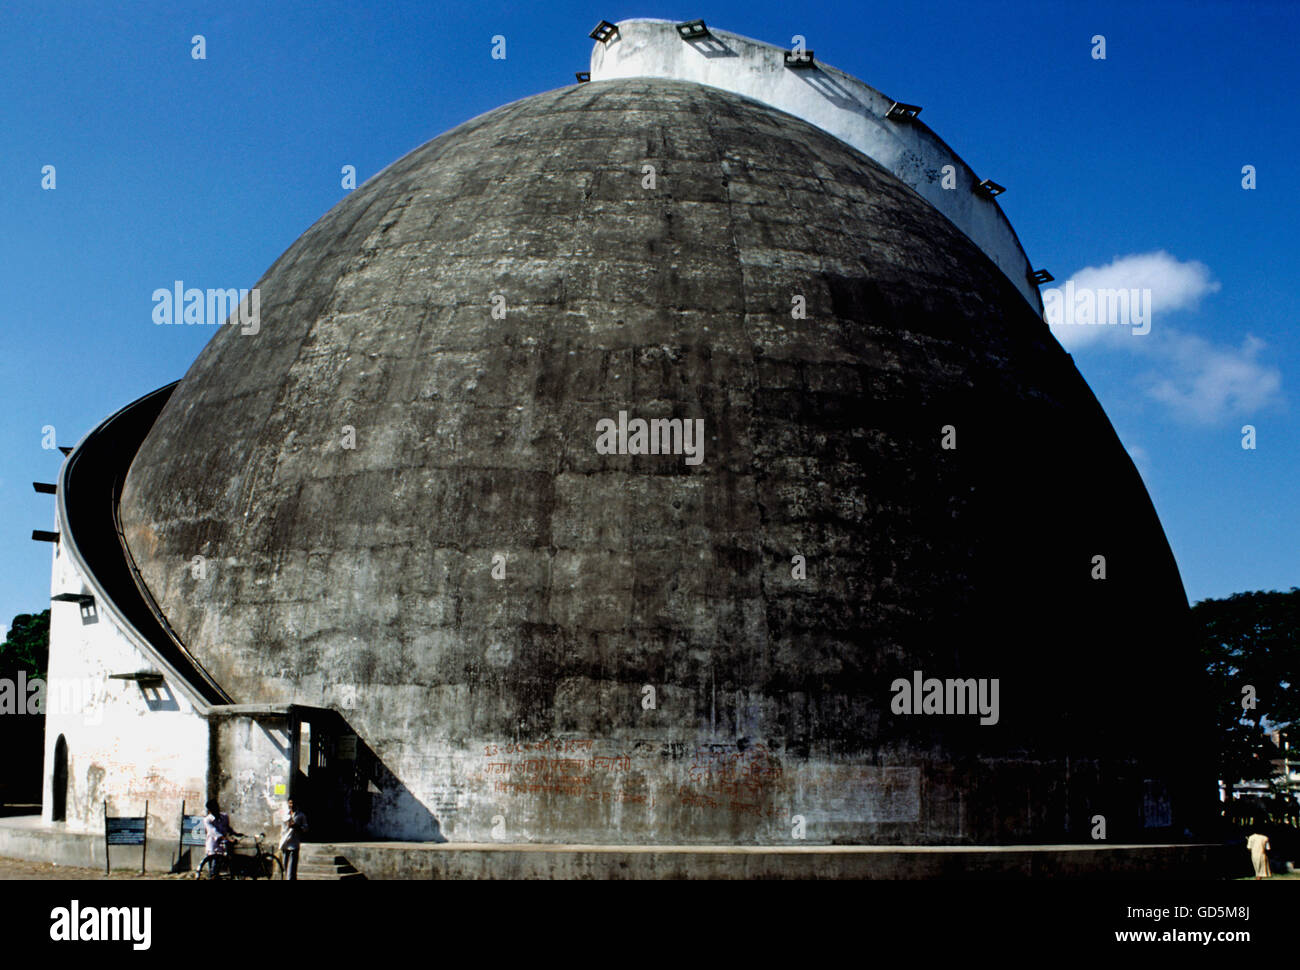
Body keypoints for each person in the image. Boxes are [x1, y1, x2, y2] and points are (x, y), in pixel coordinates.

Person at [203, 799, 241, 870]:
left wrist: (236, 834)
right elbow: (213, 832)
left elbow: (227, 828)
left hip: (223, 845)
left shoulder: (224, 816)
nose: (216, 810)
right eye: (213, 809)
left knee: (227, 862)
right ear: (210, 810)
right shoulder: (207, 820)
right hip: (213, 844)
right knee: (214, 865)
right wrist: (227, 839)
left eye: (216, 807)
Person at [279, 797, 308, 880]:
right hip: (285, 844)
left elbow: (305, 828)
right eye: (290, 803)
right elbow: (282, 829)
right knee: (285, 868)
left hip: (294, 844)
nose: (292, 805)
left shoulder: (301, 815)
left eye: (293, 803)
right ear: (288, 804)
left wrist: (297, 827)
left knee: (291, 871)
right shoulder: (285, 815)